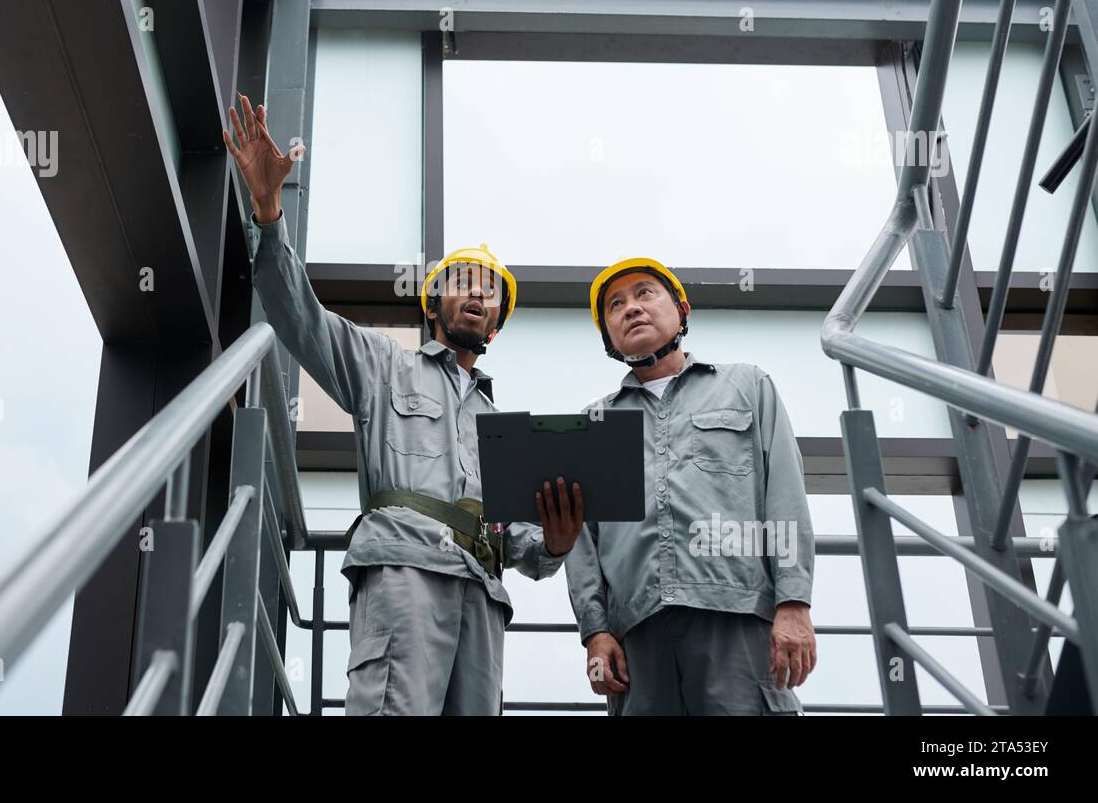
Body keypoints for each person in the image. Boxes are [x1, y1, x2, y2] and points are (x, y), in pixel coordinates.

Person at [223, 94, 583, 715]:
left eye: (491, 293)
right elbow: (297, 315)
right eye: (463, 283)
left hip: (483, 596)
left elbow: (527, 546)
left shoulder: (507, 430)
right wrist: (267, 208)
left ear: (496, 322)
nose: (478, 295)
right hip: (402, 571)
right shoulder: (383, 365)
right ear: (432, 303)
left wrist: (556, 542)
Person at [564, 257, 816, 715]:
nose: (631, 309)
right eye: (615, 305)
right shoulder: (593, 422)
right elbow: (582, 539)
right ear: (609, 337)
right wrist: (595, 631)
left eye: (645, 293)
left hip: (736, 617)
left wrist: (794, 601)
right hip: (636, 635)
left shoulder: (747, 386)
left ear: (681, 310)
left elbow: (785, 494)